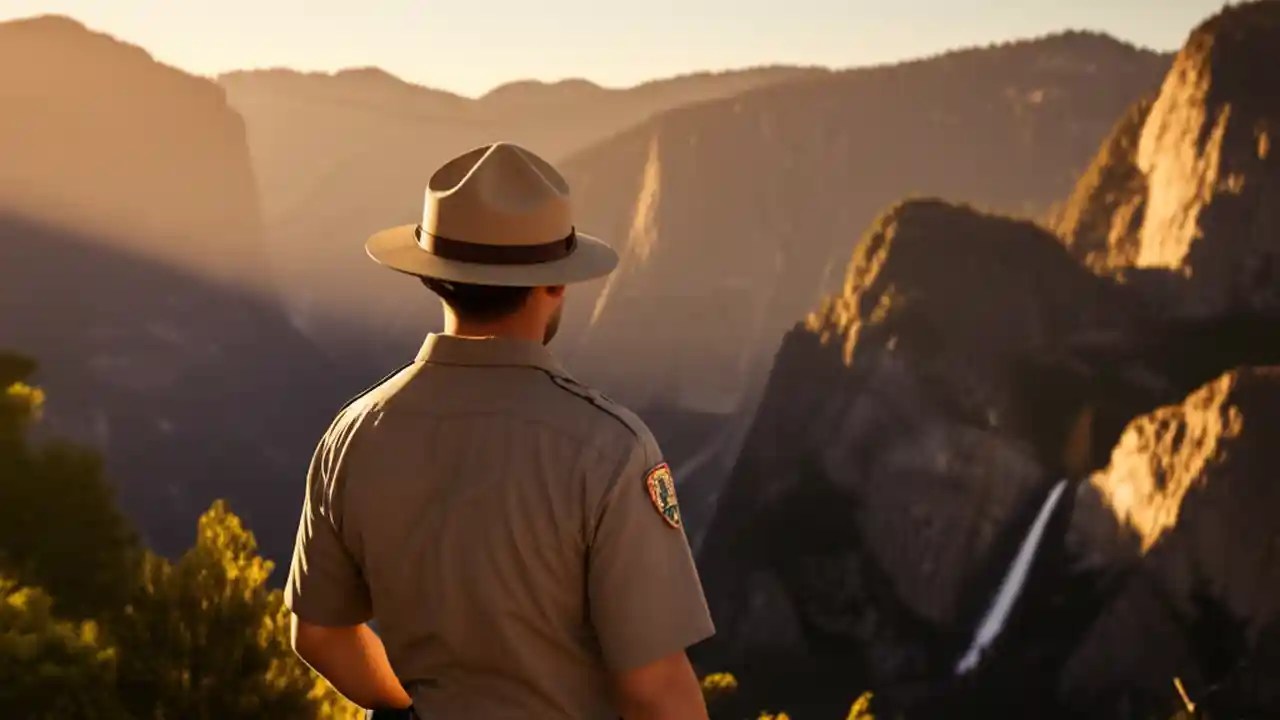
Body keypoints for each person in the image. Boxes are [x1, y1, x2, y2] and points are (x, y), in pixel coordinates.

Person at [284, 142, 716, 719]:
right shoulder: (610, 450)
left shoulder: (354, 435)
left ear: (433, 278)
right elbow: (655, 688)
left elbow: (318, 634)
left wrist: (416, 710)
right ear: (558, 282)